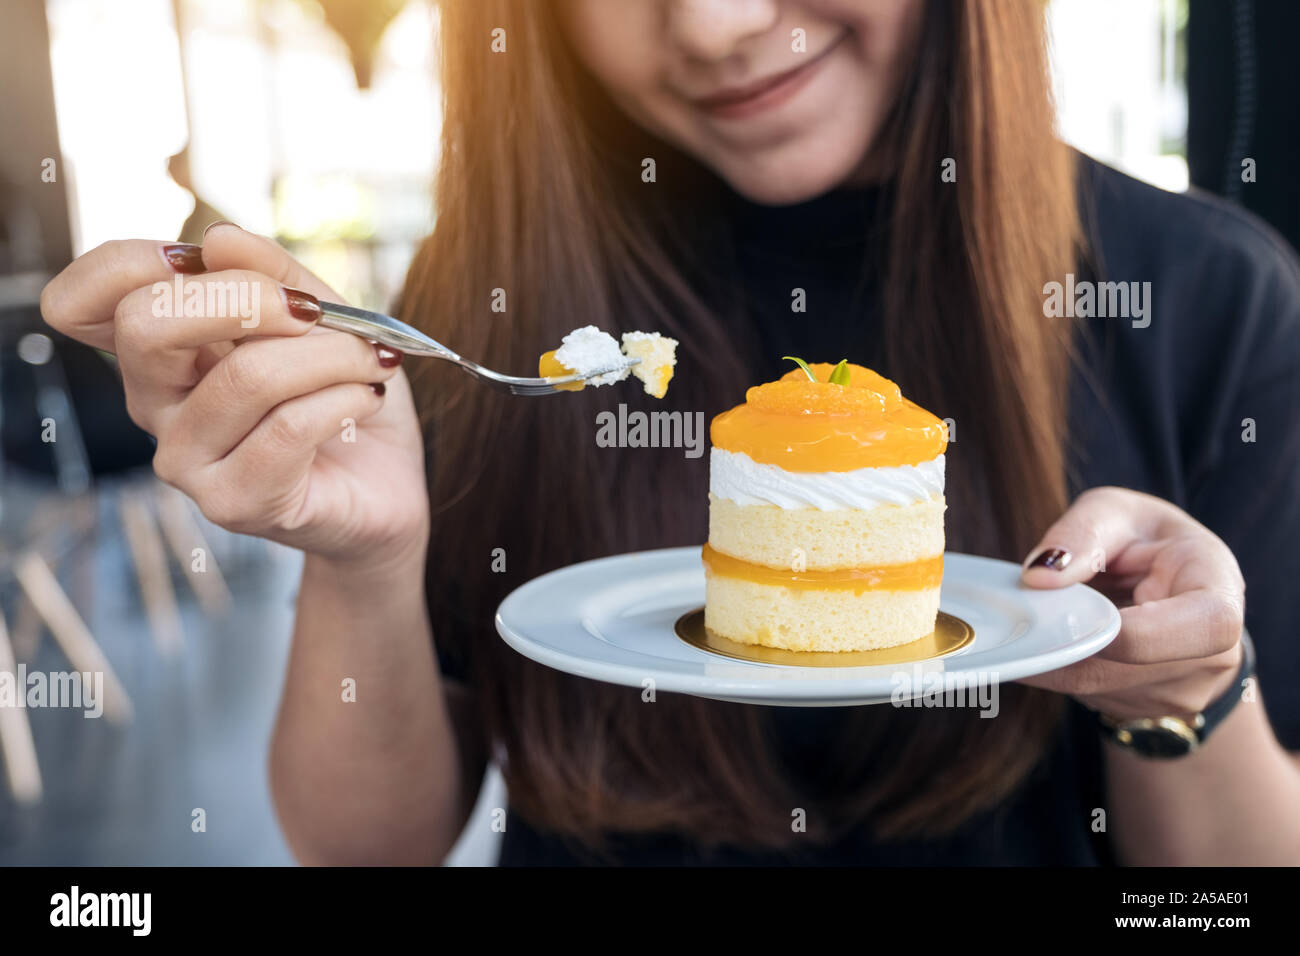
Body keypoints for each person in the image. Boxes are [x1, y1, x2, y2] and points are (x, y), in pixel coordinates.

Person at [40, 0, 1300, 865]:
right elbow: (366, 846)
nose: (709, 24)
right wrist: (364, 557)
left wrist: (1186, 683)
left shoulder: (1202, 293)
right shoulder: (495, 290)